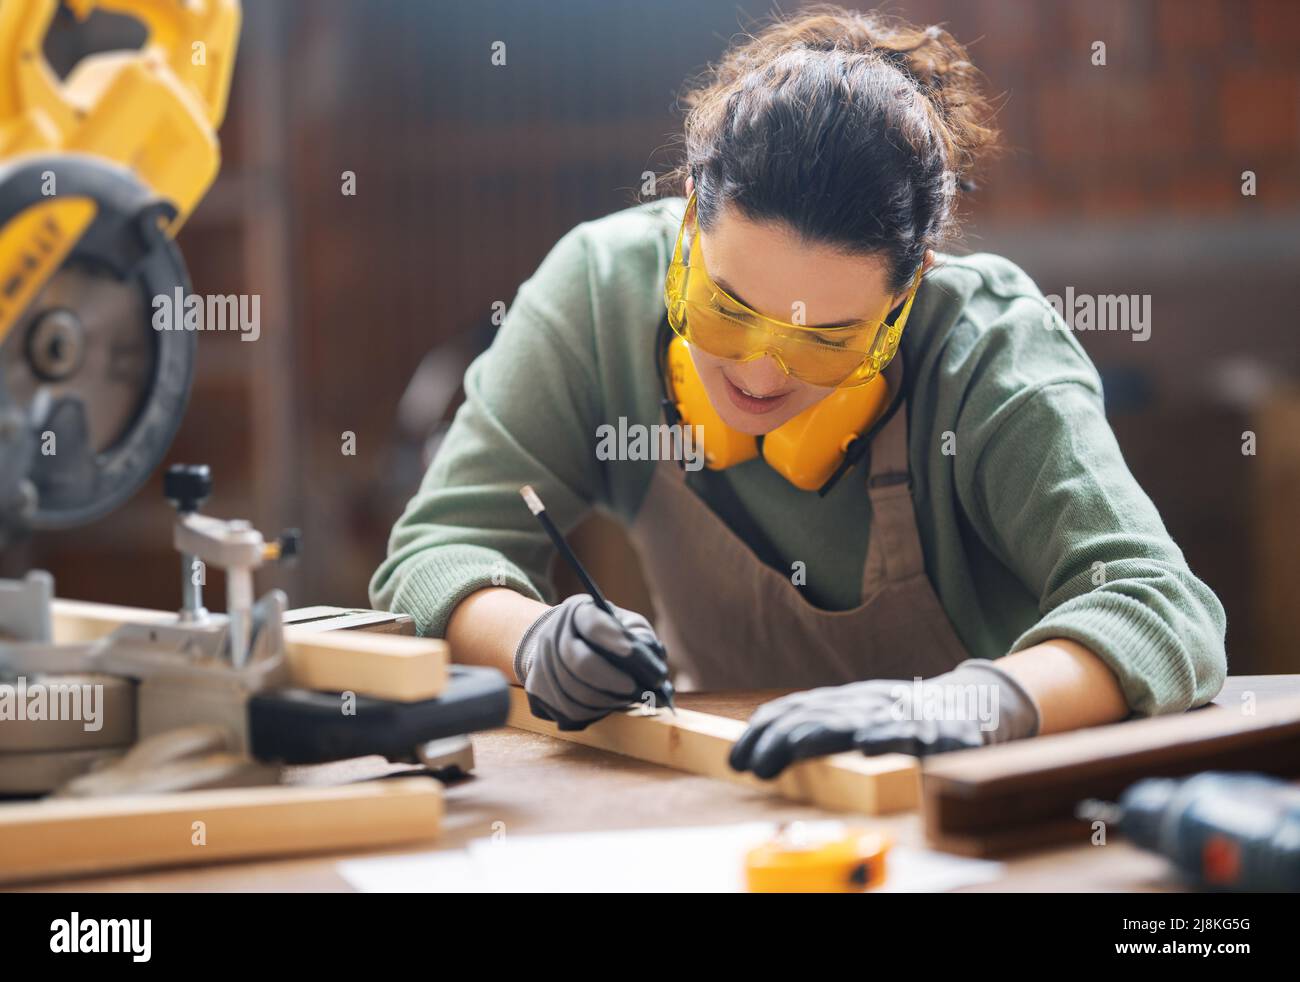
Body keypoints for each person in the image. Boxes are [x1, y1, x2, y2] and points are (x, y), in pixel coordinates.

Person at [371, 6, 1226, 779]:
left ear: (907, 292)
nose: (759, 374)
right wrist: (532, 641)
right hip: (734, 800)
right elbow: (434, 551)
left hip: (966, 817)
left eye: (824, 338)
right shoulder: (599, 293)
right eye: (727, 310)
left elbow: (1160, 609)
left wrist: (967, 707)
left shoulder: (988, 350)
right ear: (687, 217)